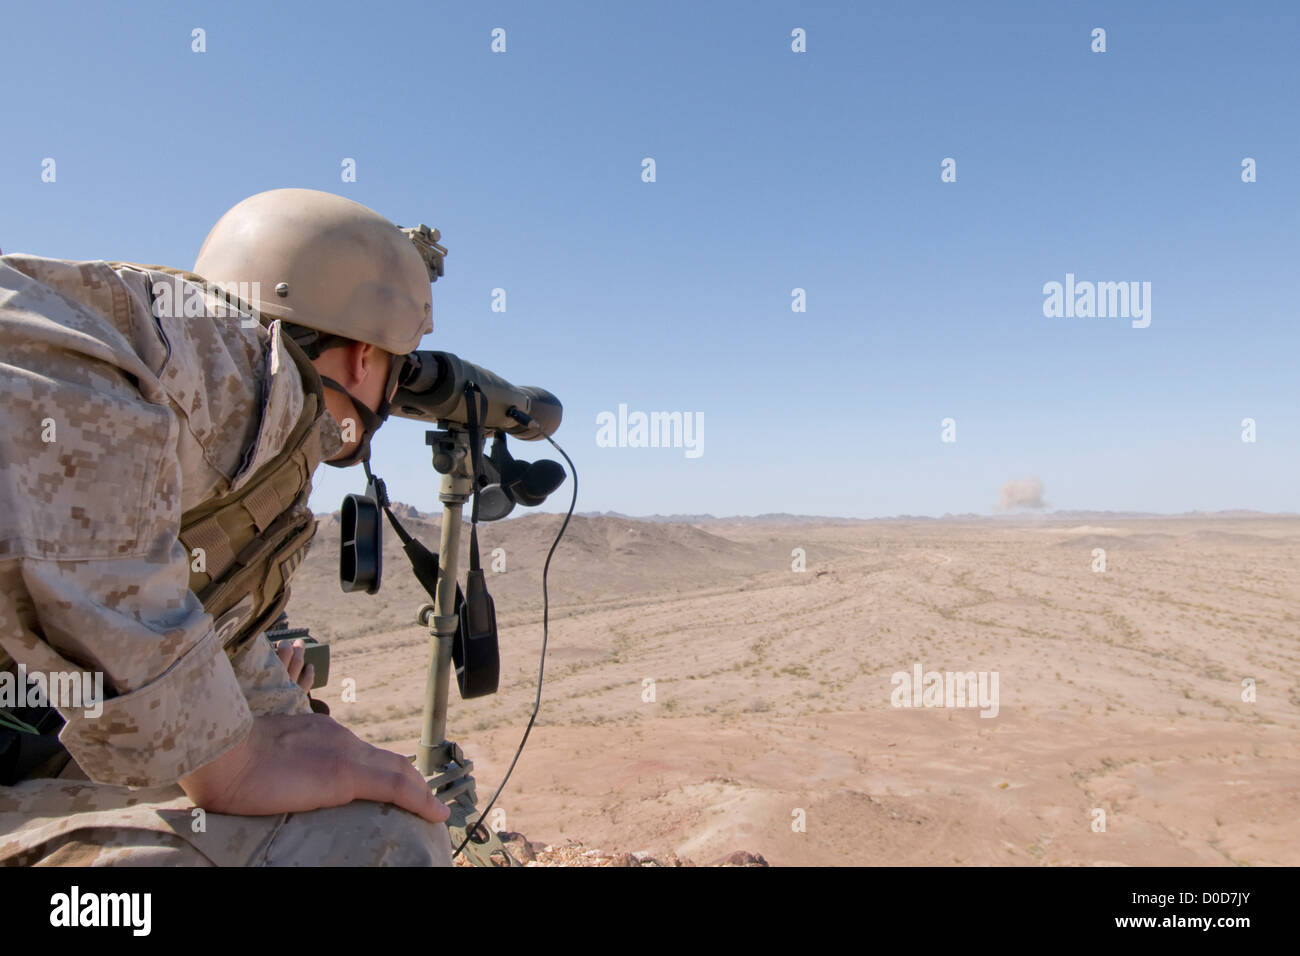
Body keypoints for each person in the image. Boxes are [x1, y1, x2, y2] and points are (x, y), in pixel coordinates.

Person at [0, 188, 454, 865]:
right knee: (380, 842)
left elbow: (207, 624)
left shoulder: (250, 439)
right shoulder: (241, 367)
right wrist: (230, 760)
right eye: (400, 360)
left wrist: (261, 719)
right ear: (365, 355)